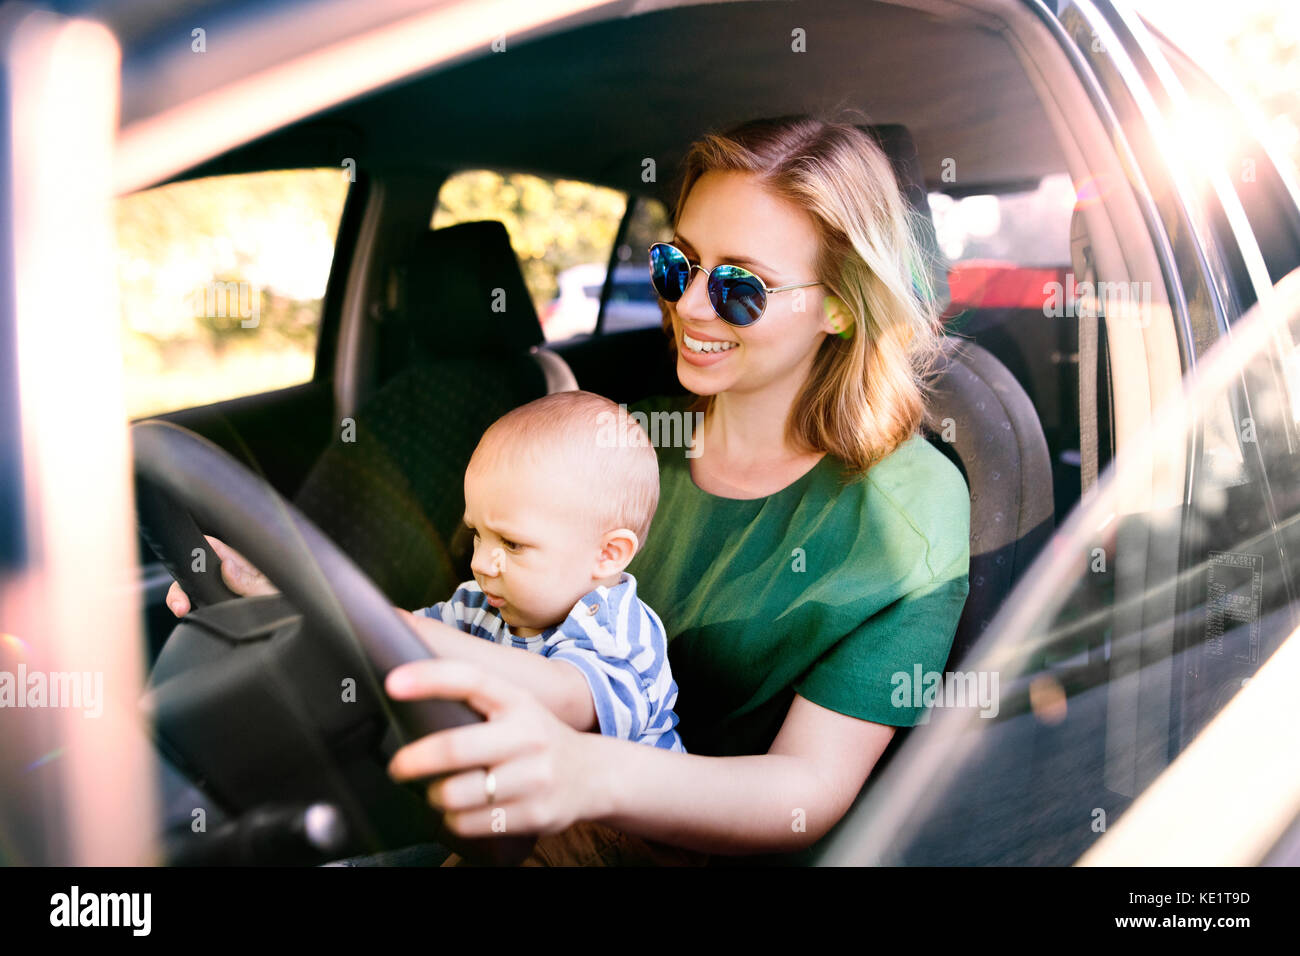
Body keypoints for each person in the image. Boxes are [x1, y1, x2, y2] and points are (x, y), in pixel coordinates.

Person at [169, 114, 971, 866]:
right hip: (518, 805)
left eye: (739, 287)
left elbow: (807, 790)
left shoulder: (906, 516)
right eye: (675, 263)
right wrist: (296, 594)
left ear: (838, 304)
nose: (687, 304)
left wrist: (588, 774)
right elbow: (486, 622)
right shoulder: (615, 442)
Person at [401, 389, 684, 753]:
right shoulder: (476, 606)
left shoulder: (622, 635)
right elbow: (395, 643)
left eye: (512, 544)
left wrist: (423, 635)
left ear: (608, 554)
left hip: (636, 808)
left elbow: (569, 703)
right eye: (477, 535)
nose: (480, 563)